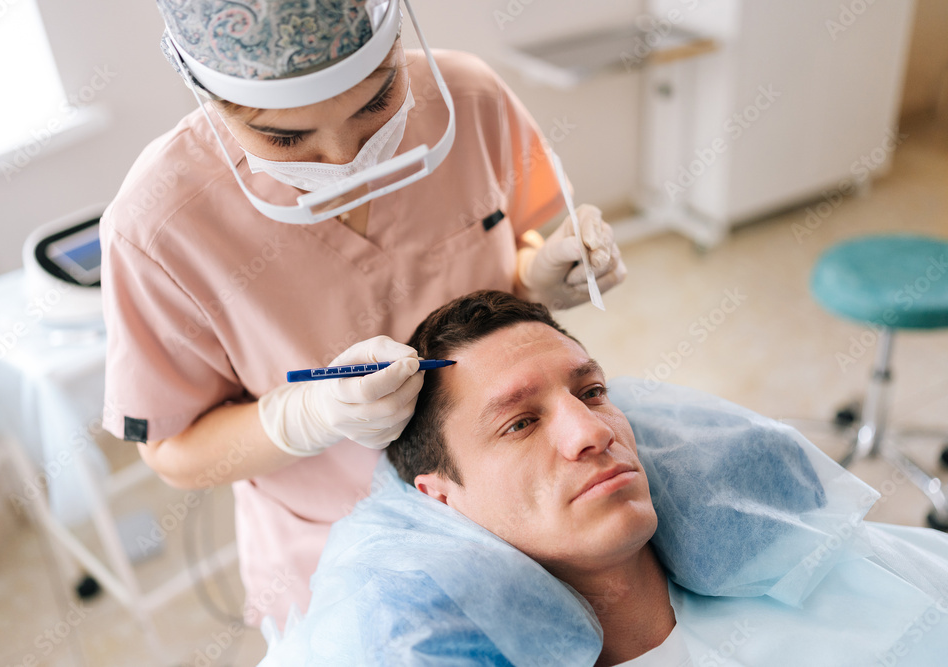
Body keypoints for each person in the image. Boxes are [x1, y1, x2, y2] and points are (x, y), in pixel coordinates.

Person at [100, 0, 626, 626]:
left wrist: (534, 275)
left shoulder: (468, 98)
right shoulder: (157, 226)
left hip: (521, 512)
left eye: (376, 103)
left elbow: (508, 245)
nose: (347, 156)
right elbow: (173, 451)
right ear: (206, 94)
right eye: (285, 138)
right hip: (339, 558)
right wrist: (308, 417)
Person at [281, 288, 948, 666]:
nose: (591, 432)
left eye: (593, 391)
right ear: (441, 498)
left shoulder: (819, 568)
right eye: (520, 423)